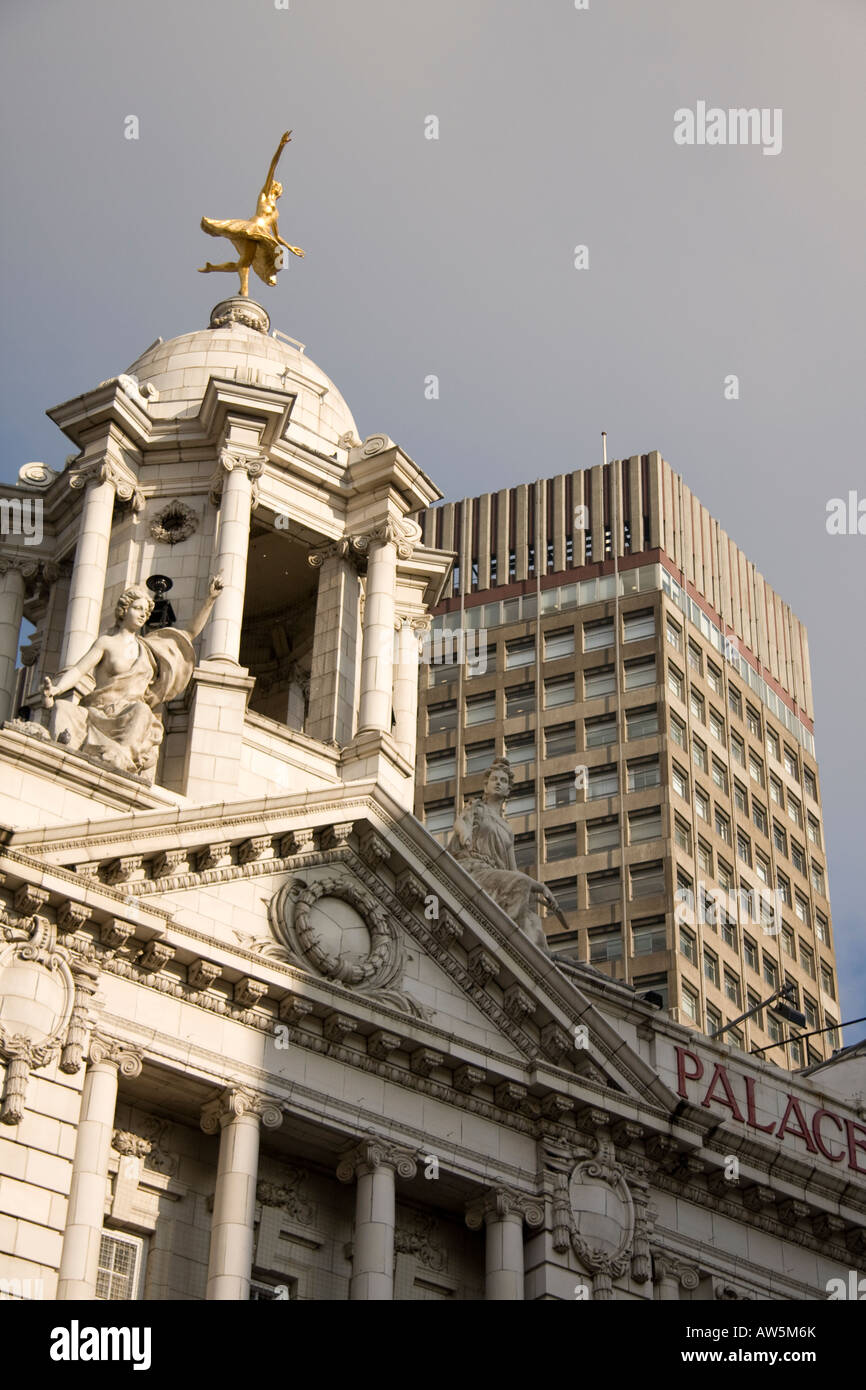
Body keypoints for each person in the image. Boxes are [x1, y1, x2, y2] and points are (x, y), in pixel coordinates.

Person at [42, 576, 223, 780]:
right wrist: (56, 690)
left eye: (146, 612)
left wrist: (210, 600)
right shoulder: (106, 643)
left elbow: (188, 633)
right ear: (124, 609)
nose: (143, 615)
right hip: (98, 711)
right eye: (138, 608)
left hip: (129, 714)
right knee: (62, 709)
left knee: (142, 711)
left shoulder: (149, 648)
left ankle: (122, 757)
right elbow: (78, 670)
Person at [446, 757, 558, 951]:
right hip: (474, 870)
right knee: (521, 887)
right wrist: (464, 832)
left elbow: (513, 872)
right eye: (495, 779)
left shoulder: (507, 829)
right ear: (486, 785)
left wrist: (537, 888)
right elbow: (461, 822)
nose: (498, 782)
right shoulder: (477, 808)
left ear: (507, 791)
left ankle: (534, 957)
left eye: (503, 781)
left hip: (494, 875)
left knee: (533, 921)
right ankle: (510, 942)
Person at [199, 131, 305, 297]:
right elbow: (272, 168)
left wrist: (290, 248)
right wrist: (281, 146)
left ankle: (213, 267)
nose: (275, 187)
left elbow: (277, 236)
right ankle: (244, 290)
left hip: (264, 235)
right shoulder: (264, 195)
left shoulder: (276, 212)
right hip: (253, 228)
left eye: (277, 187)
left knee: (246, 261)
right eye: (274, 185)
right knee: (246, 261)